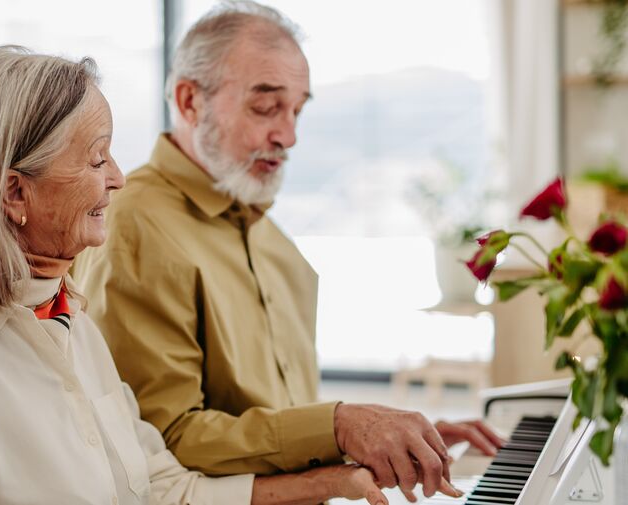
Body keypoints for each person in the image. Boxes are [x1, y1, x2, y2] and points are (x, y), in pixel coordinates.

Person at [0, 45, 396, 505]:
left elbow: (157, 486)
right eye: (97, 158)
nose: (119, 178)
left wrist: (332, 483)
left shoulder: (66, 316)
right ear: (14, 192)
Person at [73, 1, 505, 500]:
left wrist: (383, 438)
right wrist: (340, 426)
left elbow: (272, 427)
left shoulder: (271, 238)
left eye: (298, 110)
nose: (289, 135)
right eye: (266, 106)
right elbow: (160, 443)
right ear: (190, 101)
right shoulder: (132, 226)